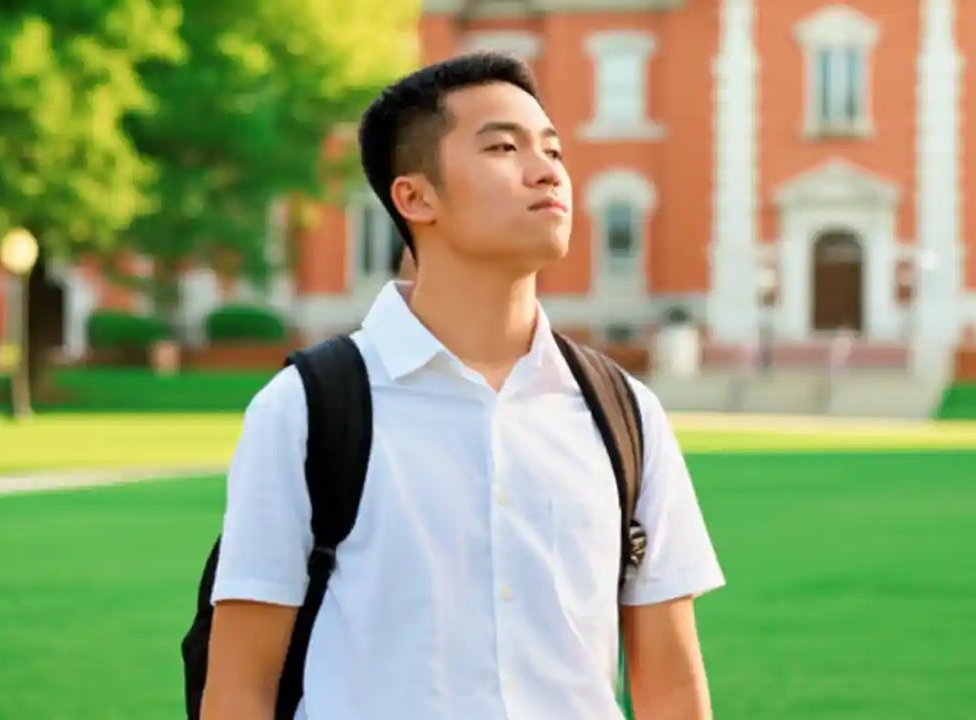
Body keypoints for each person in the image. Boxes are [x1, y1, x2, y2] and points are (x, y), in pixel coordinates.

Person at [200, 52, 725, 720]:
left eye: (553, 150)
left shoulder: (623, 412)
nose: (547, 171)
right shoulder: (309, 408)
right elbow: (240, 688)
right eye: (504, 147)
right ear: (415, 197)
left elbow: (671, 688)